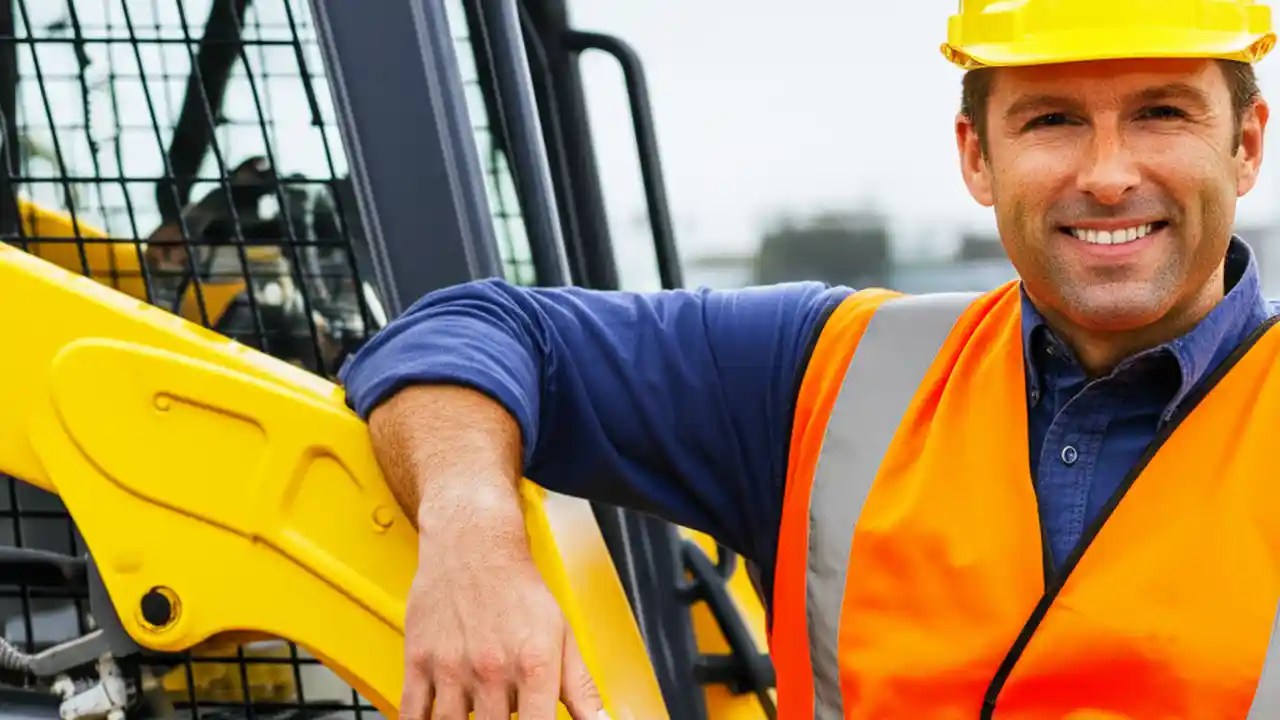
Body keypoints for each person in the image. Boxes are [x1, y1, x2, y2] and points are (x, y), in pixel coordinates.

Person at [338, 0, 1280, 717]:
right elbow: (472, 331)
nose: (1109, 174)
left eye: (1161, 113)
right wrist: (473, 542)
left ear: (1243, 145)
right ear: (977, 157)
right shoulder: (824, 375)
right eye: (1051, 121)